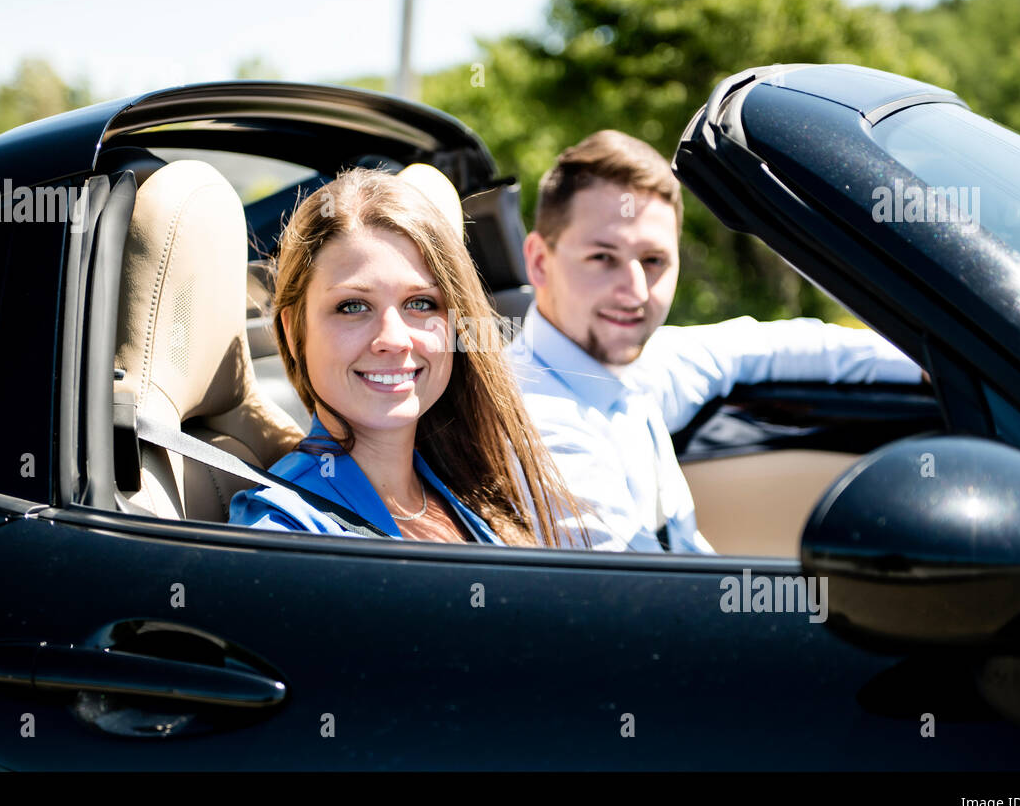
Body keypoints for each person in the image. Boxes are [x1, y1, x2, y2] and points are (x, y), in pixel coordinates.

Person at [509, 130, 925, 554]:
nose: (635, 291)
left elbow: (764, 346)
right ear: (540, 262)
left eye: (653, 261)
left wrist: (934, 358)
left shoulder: (630, 367)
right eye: (603, 258)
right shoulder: (540, 426)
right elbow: (643, 600)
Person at [229, 165, 588, 547]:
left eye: (420, 303)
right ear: (292, 330)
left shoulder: (468, 490)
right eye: (352, 306)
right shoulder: (281, 530)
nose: (394, 339)